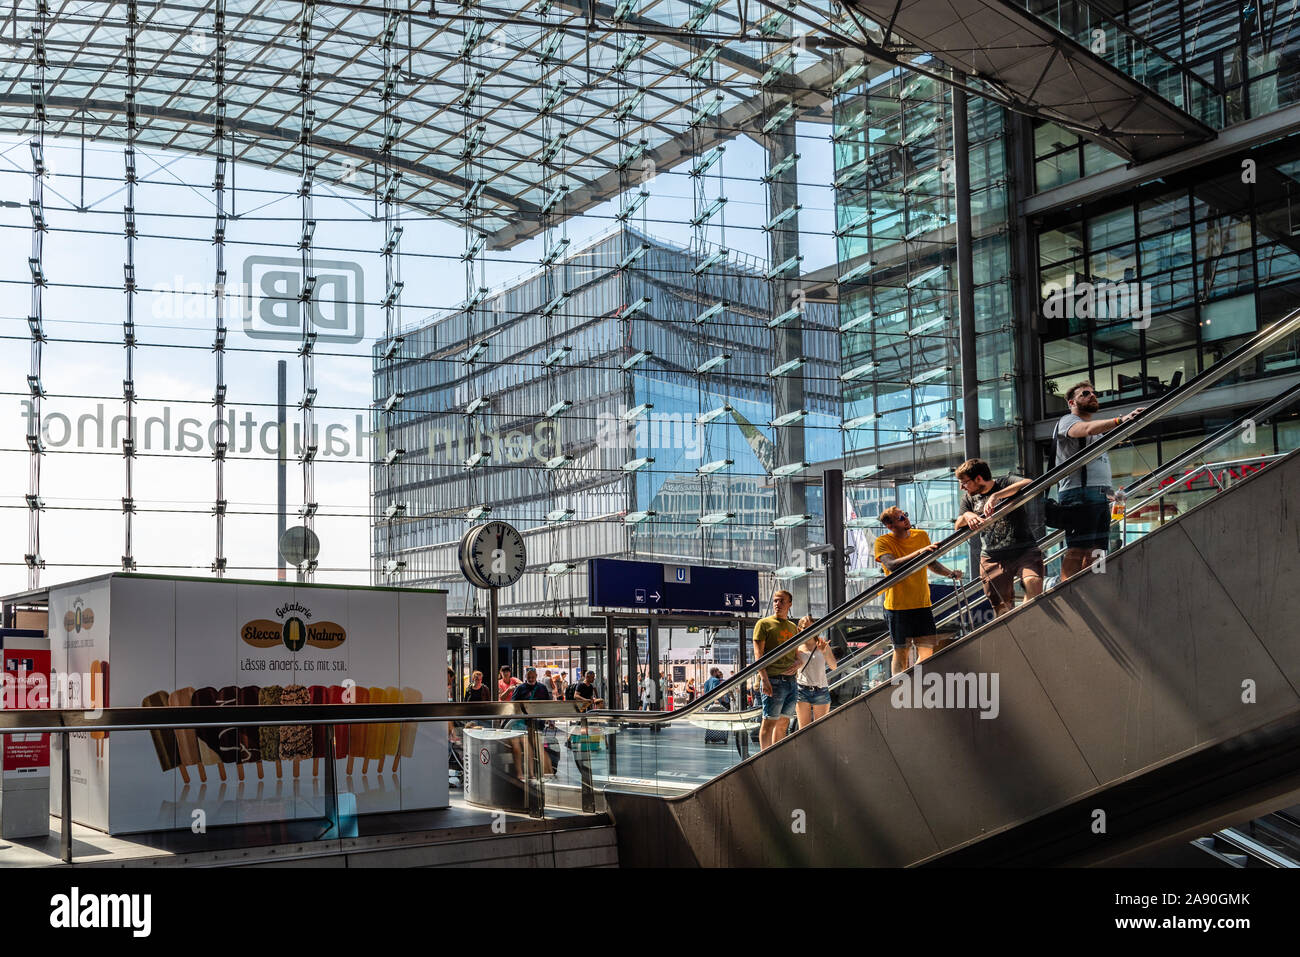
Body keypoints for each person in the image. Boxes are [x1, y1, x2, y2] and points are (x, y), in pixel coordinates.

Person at [1055, 381, 1144, 580]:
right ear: (1072, 402)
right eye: (1085, 394)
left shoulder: (1098, 432)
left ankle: (1095, 586)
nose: (1092, 396)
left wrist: (1110, 493)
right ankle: (1067, 591)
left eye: (1093, 393)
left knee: (1098, 550)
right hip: (1078, 493)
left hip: (1098, 495)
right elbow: (1084, 430)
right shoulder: (1068, 420)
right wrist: (1120, 421)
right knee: (1078, 548)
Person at [874, 506, 963, 676]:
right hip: (897, 607)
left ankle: (912, 679)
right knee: (901, 652)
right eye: (900, 518)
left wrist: (949, 573)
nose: (905, 519)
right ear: (890, 526)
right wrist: (919, 552)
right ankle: (899, 688)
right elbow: (892, 565)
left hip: (922, 604)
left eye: (905, 515)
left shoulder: (921, 535)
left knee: (927, 651)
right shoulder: (883, 542)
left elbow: (931, 563)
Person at [955, 458, 1044, 617]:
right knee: (1002, 609)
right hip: (992, 558)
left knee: (1034, 584)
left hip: (1023, 550)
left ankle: (1025, 620)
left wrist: (996, 496)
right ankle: (1016, 631)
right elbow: (958, 524)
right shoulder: (969, 498)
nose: (962, 487)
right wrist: (968, 515)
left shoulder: (1005, 481)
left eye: (965, 482)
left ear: (979, 479)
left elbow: (1029, 482)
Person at [753, 589, 802, 750]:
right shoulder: (764, 624)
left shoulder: (792, 627)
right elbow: (758, 655)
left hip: (791, 682)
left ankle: (776, 756)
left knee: (783, 723)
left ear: (790, 604)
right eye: (775, 601)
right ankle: (765, 759)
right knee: (769, 722)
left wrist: (798, 663)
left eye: (781, 601)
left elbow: (797, 655)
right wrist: (765, 680)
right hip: (773, 680)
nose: (777, 604)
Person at [506, 668, 552, 777]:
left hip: (537, 723)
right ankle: (532, 773)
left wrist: (549, 719)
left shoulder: (542, 688)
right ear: (526, 677)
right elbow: (513, 704)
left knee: (536, 747)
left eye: (533, 677)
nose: (531, 679)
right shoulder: (520, 688)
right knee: (530, 748)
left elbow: (547, 704)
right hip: (523, 723)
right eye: (529, 677)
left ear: (536, 676)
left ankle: (541, 773)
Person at [794, 615, 837, 730]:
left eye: (811, 627)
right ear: (799, 629)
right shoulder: (796, 647)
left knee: (821, 729)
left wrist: (824, 652)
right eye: (804, 627)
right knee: (803, 730)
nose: (807, 630)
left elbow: (834, 666)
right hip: (801, 690)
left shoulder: (822, 645)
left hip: (821, 690)